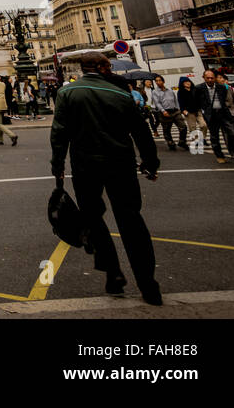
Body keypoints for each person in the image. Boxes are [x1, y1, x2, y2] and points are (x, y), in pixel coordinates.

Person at [50, 51, 161, 305]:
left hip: (85, 165)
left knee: (92, 217)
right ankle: (149, 285)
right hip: (120, 163)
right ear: (101, 67)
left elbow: (59, 133)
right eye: (108, 65)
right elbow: (141, 132)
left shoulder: (67, 93)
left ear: (83, 68)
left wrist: (57, 165)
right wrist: (150, 163)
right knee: (132, 220)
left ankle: (113, 273)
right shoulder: (120, 94)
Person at [149, 76, 182, 151]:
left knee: (183, 126)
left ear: (163, 81)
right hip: (164, 112)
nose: (158, 82)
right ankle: (170, 142)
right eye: (156, 81)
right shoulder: (155, 92)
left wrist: (178, 108)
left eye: (159, 80)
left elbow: (175, 99)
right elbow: (157, 103)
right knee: (167, 129)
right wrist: (163, 111)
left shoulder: (170, 90)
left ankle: (182, 141)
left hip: (175, 111)